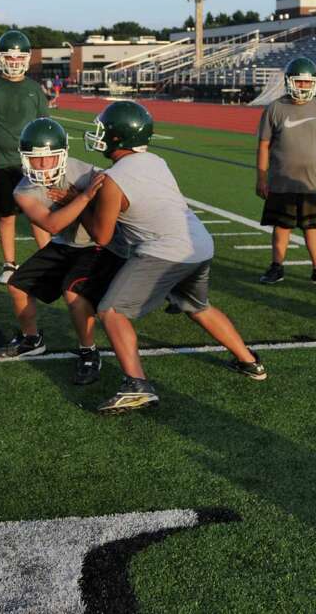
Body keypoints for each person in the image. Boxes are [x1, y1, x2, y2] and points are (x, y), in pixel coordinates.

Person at [84, 101, 266, 415]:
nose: (99, 132)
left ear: (118, 136)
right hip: (199, 245)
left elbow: (101, 235)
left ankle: (136, 385)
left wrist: (80, 204)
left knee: (111, 311)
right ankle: (250, 362)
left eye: (105, 127)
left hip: (165, 250)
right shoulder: (156, 160)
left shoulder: (114, 179)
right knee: (197, 306)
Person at [0, 118, 124, 386]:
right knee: (17, 286)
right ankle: (32, 339)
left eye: (50, 158)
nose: (42, 165)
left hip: (97, 246)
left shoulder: (88, 174)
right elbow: (52, 225)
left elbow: (112, 217)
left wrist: (84, 197)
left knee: (72, 291)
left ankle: (88, 351)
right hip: (64, 243)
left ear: (62, 154)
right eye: (35, 159)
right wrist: (83, 198)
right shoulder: (23, 189)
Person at [255, 56, 316, 285]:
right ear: (289, 82)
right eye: (299, 82)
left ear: (313, 83)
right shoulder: (275, 108)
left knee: (313, 226)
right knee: (282, 226)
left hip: (313, 181)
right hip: (282, 180)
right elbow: (264, 144)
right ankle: (277, 267)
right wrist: (262, 177)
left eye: (307, 82)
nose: (303, 86)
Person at [0, 30, 51, 283]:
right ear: (0, 58)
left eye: (19, 58)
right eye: (10, 57)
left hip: (30, 163)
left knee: (38, 215)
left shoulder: (34, 89)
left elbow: (44, 127)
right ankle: (9, 264)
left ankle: (48, 262)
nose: (15, 62)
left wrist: (46, 162)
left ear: (26, 59)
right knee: (6, 216)